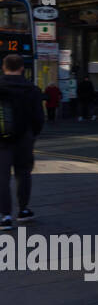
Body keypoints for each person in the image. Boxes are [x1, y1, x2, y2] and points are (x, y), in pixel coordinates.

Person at [0, 54, 44, 230]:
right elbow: (39, 118)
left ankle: (5, 216)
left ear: (4, 67)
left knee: (2, 178)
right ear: (21, 68)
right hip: (24, 138)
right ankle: (23, 210)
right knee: (23, 174)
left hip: (1, 139)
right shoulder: (32, 89)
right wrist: (32, 134)